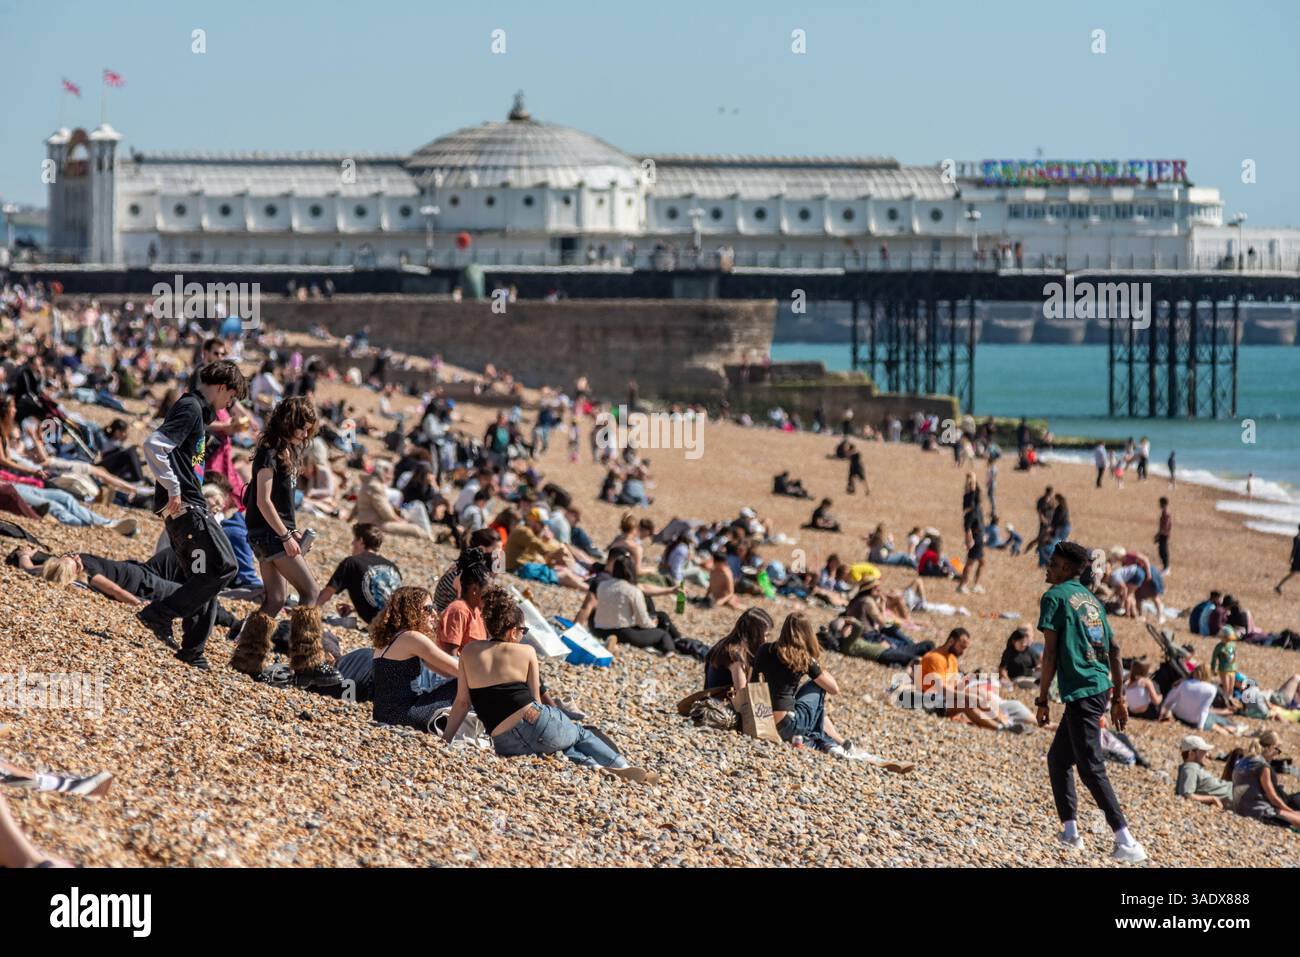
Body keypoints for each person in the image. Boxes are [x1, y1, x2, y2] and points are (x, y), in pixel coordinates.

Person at [441, 587, 659, 782]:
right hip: (535, 721)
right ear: (512, 631)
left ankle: (594, 767)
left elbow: (462, 703)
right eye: (523, 631)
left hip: (504, 742)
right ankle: (622, 765)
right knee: (579, 734)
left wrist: (445, 740)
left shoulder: (469, 652)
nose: (523, 636)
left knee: (554, 749)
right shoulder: (526, 652)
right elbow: (536, 700)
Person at [1035, 540, 1147, 863]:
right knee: (1058, 759)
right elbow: (1115, 650)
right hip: (1098, 688)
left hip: (1084, 690)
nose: (1048, 567)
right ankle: (1070, 833)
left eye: (1053, 563)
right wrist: (1118, 697)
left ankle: (1127, 841)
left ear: (1067, 568)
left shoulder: (1054, 597)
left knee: (1091, 767)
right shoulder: (1092, 601)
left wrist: (1042, 699)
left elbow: (1050, 653)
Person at [136, 359, 244, 669]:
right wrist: (173, 488)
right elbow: (153, 444)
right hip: (186, 504)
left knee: (205, 575)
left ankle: (192, 650)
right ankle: (159, 613)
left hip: (185, 502)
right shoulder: (191, 407)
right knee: (225, 566)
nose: (229, 404)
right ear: (222, 388)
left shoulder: (198, 411)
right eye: (231, 397)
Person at [229, 396, 340, 689]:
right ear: (289, 422)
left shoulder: (284, 451)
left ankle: (247, 660)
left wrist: (292, 531)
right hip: (270, 535)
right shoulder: (270, 451)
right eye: (302, 428)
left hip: (270, 533)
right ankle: (307, 664)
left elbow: (278, 504)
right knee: (310, 591)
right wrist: (285, 536)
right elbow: (263, 501)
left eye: (308, 430)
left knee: (276, 599)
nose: (305, 434)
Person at [753, 612, 909, 770]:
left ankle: (836, 743)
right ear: (807, 633)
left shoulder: (764, 649)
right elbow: (833, 688)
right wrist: (816, 665)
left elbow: (752, 680)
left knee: (811, 702)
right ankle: (833, 744)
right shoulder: (803, 657)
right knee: (817, 687)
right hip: (787, 725)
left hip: (762, 717)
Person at [369, 586, 461, 730]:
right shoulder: (412, 637)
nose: (434, 614)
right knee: (467, 681)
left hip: (383, 714)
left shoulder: (389, 640)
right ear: (412, 610)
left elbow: (445, 671)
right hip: (405, 715)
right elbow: (458, 670)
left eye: (434, 608)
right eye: (428, 609)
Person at [317, 523, 402, 625]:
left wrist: (311, 610)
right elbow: (387, 600)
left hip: (382, 628)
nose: (352, 543)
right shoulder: (392, 567)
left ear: (361, 540)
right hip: (400, 623)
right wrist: (355, 609)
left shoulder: (351, 563)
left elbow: (328, 592)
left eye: (354, 539)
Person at [1229, 732, 1300, 827]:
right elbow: (1273, 798)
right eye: (1277, 749)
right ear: (1270, 747)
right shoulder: (1262, 766)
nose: (1277, 754)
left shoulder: (1242, 761)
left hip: (1240, 810)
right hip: (1260, 812)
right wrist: (1291, 811)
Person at [702, 608, 774, 692]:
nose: (766, 640)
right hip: (720, 699)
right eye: (765, 635)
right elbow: (743, 693)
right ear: (755, 635)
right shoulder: (735, 656)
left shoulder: (727, 643)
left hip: (713, 696)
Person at [1158, 663, 1242, 734]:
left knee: (1211, 716)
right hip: (1194, 720)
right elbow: (1204, 710)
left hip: (1178, 715)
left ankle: (1233, 728)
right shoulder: (1211, 689)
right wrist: (1200, 727)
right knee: (1212, 719)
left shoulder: (1184, 683)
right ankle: (1233, 729)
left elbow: (1169, 699)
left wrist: (1162, 713)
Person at [1174, 735, 1233, 810]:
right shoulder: (1190, 768)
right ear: (1191, 753)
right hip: (1237, 796)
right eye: (1203, 751)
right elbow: (1187, 795)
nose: (1207, 755)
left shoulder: (1191, 767)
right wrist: (1212, 798)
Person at [1274, 524, 1300, 594]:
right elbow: (1294, 549)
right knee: (1291, 574)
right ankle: (1278, 586)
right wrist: (1292, 558)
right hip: (1297, 560)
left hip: (1297, 559)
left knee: (1291, 574)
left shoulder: (1297, 538)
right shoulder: (1297, 538)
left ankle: (1278, 586)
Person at [1154, 497, 1172, 573]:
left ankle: (1166, 568)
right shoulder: (1164, 512)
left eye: (1160, 503)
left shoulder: (1166, 513)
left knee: (1163, 551)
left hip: (1164, 534)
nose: (1159, 505)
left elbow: (1166, 525)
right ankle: (1165, 568)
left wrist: (1158, 534)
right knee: (1161, 551)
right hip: (1163, 534)